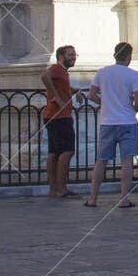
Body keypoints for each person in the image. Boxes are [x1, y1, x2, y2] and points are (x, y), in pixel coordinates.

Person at [86, 42, 138, 208]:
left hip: (107, 121)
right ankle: (123, 198)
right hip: (127, 122)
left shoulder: (102, 72)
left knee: (101, 161)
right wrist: (132, 110)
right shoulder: (133, 75)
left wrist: (105, 103)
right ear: (128, 56)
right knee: (127, 161)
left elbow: (91, 95)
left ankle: (92, 198)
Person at [41, 45, 79, 199]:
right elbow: (44, 76)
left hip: (52, 115)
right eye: (70, 54)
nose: (74, 57)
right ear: (61, 56)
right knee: (67, 151)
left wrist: (71, 91)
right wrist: (56, 96)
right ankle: (62, 188)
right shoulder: (57, 68)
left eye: (75, 54)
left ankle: (53, 189)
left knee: (54, 152)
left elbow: (60, 87)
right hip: (60, 116)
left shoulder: (62, 72)